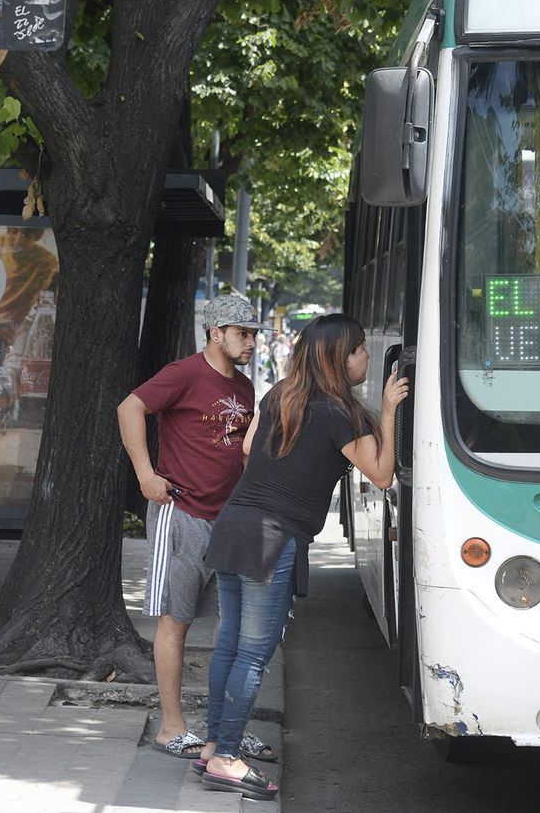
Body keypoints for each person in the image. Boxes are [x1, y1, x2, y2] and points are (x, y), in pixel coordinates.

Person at [195, 315, 408, 801]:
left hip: (234, 526)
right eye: (361, 350)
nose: (367, 357)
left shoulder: (281, 394)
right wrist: (390, 412)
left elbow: (248, 448)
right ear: (340, 356)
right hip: (273, 537)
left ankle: (213, 746)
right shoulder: (342, 414)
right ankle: (228, 757)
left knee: (228, 645)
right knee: (253, 654)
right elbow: (380, 473)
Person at [116, 293, 274, 761]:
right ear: (215, 333)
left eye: (253, 334)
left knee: (231, 627)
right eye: (242, 333)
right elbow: (129, 408)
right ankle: (171, 726)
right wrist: (146, 475)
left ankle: (222, 731)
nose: (250, 342)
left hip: (228, 519)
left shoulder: (245, 387)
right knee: (176, 620)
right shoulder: (183, 373)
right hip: (180, 514)